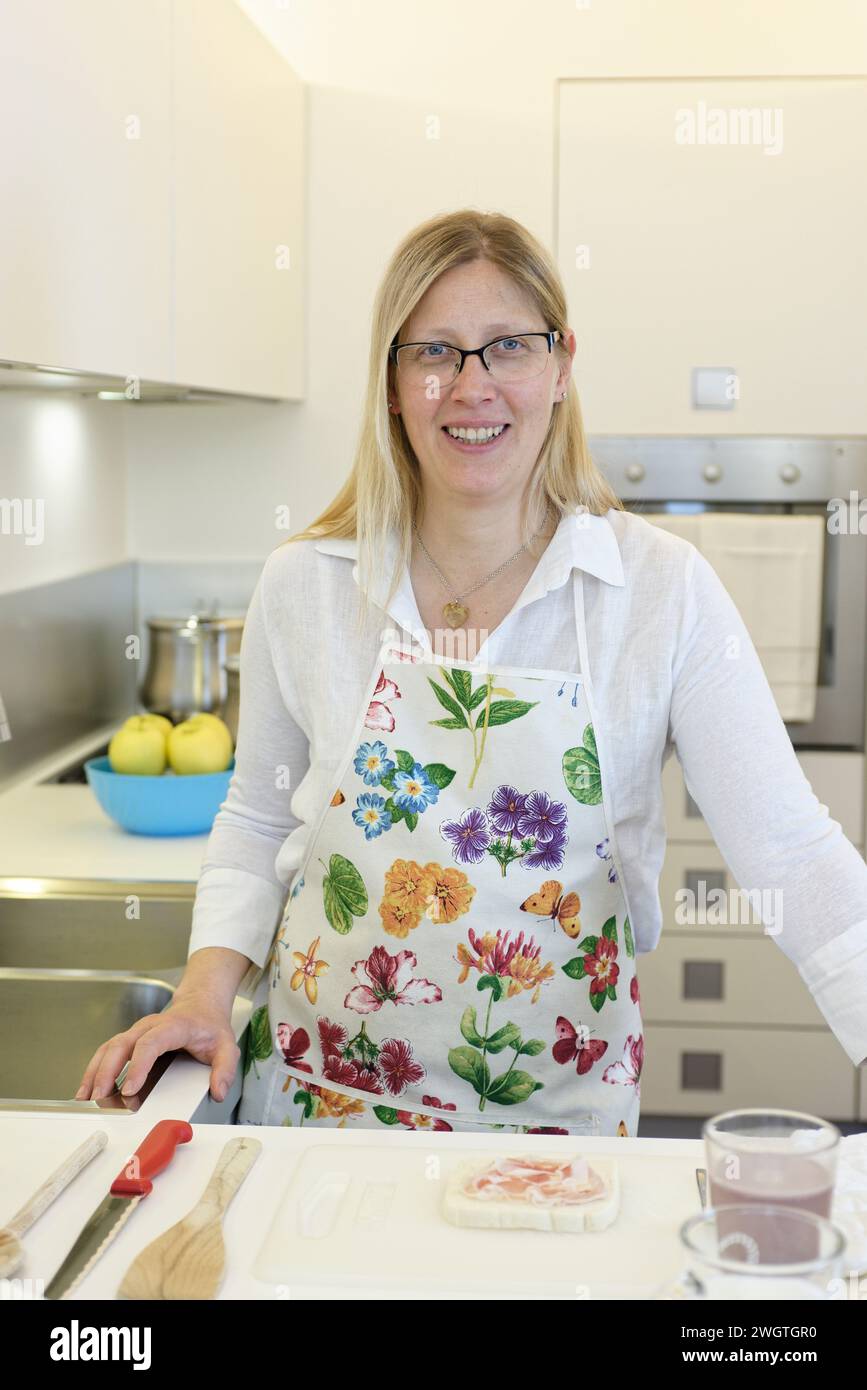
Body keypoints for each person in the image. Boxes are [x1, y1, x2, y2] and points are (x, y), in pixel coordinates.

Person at [76, 208, 867, 1135]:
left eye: (507, 348)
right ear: (393, 382)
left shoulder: (657, 593)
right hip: (316, 1113)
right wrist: (204, 996)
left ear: (562, 365)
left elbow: (790, 850)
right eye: (435, 353)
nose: (470, 386)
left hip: (556, 1134)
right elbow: (257, 817)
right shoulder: (307, 583)